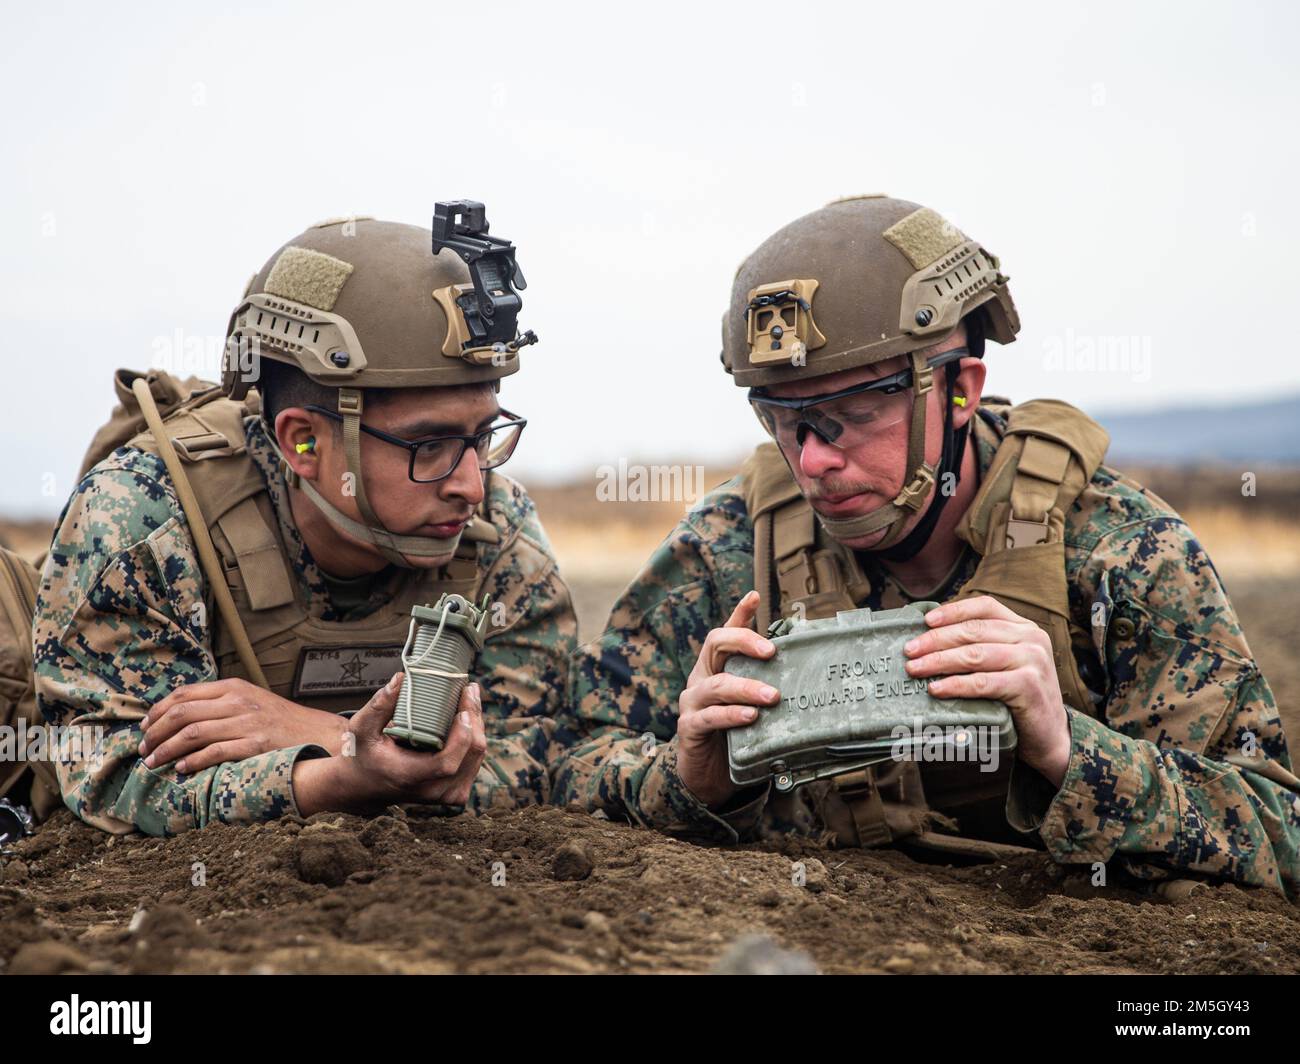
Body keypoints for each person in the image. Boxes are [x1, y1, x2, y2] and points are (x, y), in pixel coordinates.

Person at [553, 195, 1298, 897]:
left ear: (961, 390)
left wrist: (1068, 747)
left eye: (849, 414)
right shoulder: (727, 547)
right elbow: (573, 760)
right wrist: (692, 778)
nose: (811, 460)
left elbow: (1278, 829)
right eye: (784, 420)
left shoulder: (1122, 552)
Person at [33, 203, 576, 836]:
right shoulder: (146, 515)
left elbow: (542, 757)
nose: (471, 485)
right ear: (305, 444)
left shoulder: (494, 529)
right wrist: (342, 775)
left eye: (483, 437)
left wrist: (326, 740)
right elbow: (118, 778)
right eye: (428, 446)